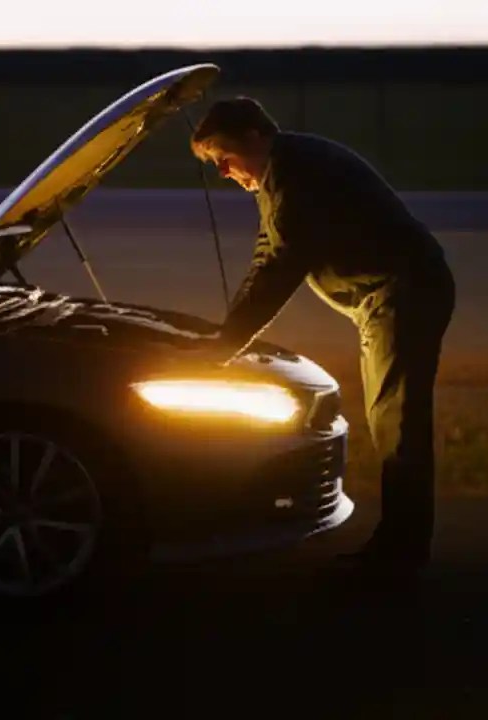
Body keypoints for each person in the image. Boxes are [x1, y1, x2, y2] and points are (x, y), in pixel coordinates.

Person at [190, 97, 456, 578]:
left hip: (402, 295)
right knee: (393, 424)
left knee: (398, 427)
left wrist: (226, 346)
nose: (225, 174)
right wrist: (227, 336)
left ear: (253, 135)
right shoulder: (282, 172)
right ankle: (401, 545)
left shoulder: (295, 174)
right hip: (392, 298)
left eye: (223, 159)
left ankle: (401, 554)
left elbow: (279, 268)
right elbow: (267, 255)